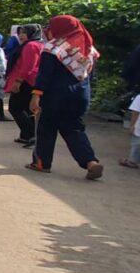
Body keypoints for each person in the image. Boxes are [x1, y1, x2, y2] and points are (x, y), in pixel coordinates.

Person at [26, 15, 103, 180]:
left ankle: (42, 163)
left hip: (55, 96)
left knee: (46, 129)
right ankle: (90, 162)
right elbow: (91, 75)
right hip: (81, 94)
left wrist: (36, 95)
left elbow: (44, 75)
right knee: (74, 129)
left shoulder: (53, 48)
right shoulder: (88, 48)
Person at [4, 23, 43, 145]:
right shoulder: (38, 44)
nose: (20, 36)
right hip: (32, 81)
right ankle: (26, 135)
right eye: (19, 33)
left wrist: (18, 81)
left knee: (15, 108)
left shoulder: (30, 46)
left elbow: (28, 66)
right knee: (27, 109)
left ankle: (31, 134)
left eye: (24, 33)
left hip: (26, 81)